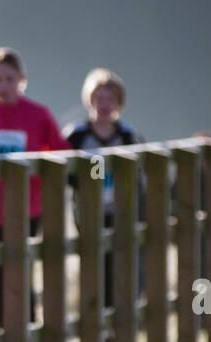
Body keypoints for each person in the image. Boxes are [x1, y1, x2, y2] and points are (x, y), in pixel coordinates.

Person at [0, 47, 71, 323]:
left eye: (9, 79)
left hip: (27, 208)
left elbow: (61, 151)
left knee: (20, 272)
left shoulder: (37, 115)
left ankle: (30, 337)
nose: (3, 86)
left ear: (22, 79)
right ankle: (6, 341)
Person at [64, 68, 143, 311]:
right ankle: (92, 309)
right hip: (87, 210)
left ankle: (116, 311)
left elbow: (138, 173)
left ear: (119, 101)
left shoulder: (128, 135)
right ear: (90, 100)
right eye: (99, 99)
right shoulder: (77, 135)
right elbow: (66, 172)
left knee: (119, 261)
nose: (104, 105)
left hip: (119, 208)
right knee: (92, 259)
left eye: (110, 99)